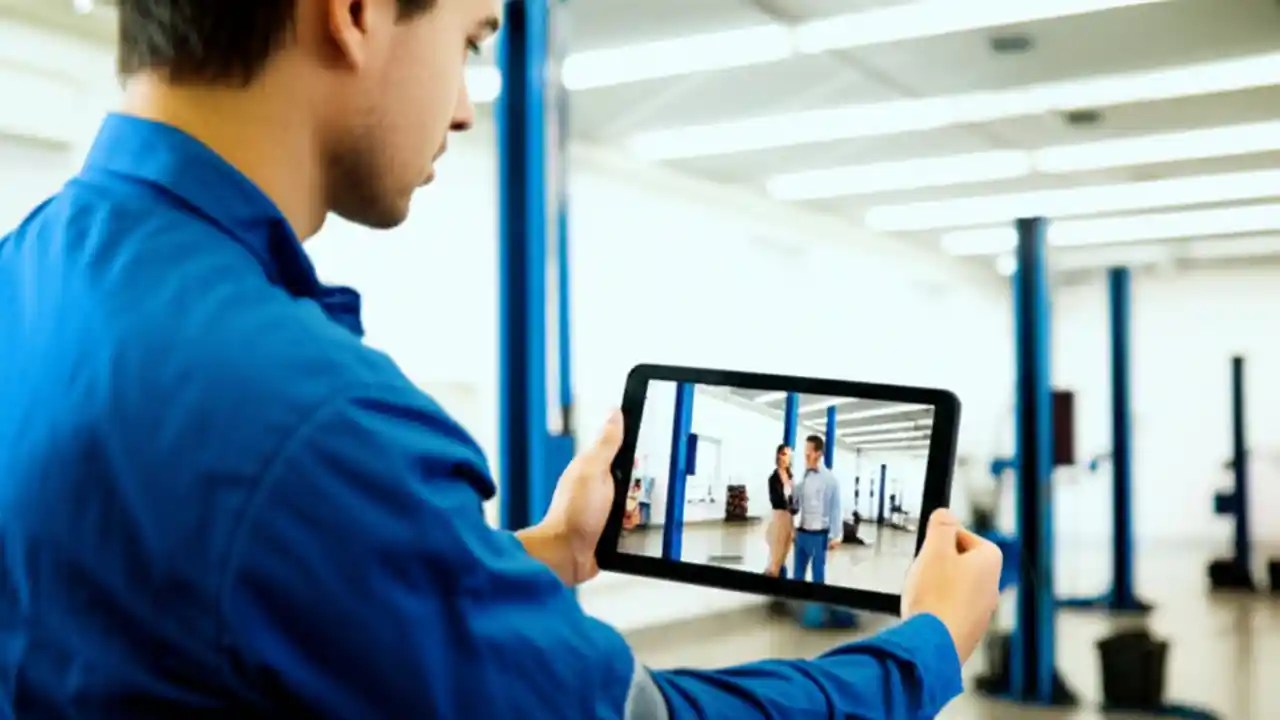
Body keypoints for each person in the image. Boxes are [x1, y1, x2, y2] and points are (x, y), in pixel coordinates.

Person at [0, 1, 1003, 717]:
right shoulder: (313, 417)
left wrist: (542, 555)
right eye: (473, 40)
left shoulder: (29, 276)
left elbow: (232, 606)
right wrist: (921, 649)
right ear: (352, 13)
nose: (466, 108)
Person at [791, 435, 843, 584]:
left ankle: (817, 606)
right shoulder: (804, 475)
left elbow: (836, 508)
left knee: (817, 576)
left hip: (818, 536)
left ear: (818, 453)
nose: (805, 454)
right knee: (797, 575)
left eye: (809, 451)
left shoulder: (830, 480)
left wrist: (835, 535)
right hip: (801, 533)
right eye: (805, 451)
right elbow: (797, 503)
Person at [765, 443, 797, 577]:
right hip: (779, 516)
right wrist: (790, 506)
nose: (784, 457)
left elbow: (794, 495)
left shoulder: (790, 476)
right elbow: (776, 500)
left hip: (790, 517)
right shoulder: (773, 478)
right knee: (776, 553)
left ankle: (775, 574)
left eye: (787, 455)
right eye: (782, 454)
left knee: (785, 550)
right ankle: (770, 576)